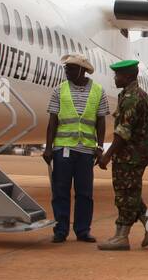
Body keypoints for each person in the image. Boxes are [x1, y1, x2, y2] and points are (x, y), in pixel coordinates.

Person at [96, 59, 148, 251]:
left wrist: (107, 155)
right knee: (131, 193)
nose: (115, 78)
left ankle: (121, 236)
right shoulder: (129, 94)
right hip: (132, 154)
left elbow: (123, 132)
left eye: (118, 75)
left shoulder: (132, 97)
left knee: (125, 195)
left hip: (131, 156)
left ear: (128, 76)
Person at [43, 53, 108, 243]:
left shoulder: (98, 91)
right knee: (60, 191)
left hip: (86, 151)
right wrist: (48, 148)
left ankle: (82, 230)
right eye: (66, 68)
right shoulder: (58, 90)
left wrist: (100, 146)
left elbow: (101, 121)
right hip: (63, 148)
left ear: (82, 70)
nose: (66, 71)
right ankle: (61, 230)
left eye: (70, 68)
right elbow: (52, 121)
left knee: (85, 193)